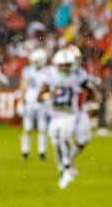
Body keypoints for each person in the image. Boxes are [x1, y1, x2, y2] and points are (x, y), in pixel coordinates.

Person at [39, 45, 101, 189]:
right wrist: (49, 95)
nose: (66, 68)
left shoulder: (79, 75)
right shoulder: (50, 74)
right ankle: (65, 166)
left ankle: (68, 164)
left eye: (68, 65)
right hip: (56, 115)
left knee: (75, 138)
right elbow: (41, 95)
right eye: (63, 65)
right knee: (57, 141)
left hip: (75, 113)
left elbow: (90, 90)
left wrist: (94, 106)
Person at [18, 49, 51, 161]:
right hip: (30, 101)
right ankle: (25, 151)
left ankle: (41, 152)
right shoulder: (28, 70)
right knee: (27, 127)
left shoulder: (48, 71)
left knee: (42, 128)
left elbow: (50, 87)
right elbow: (24, 85)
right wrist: (21, 101)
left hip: (42, 102)